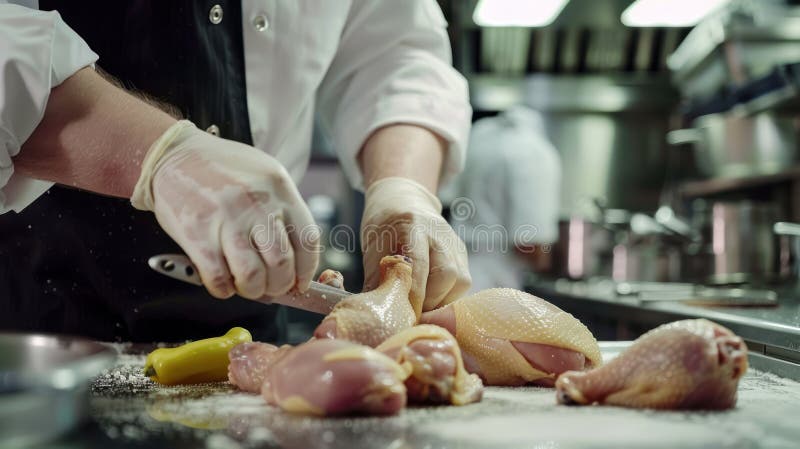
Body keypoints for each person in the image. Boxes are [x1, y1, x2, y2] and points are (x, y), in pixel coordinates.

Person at [0, 0, 471, 341]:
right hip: (33, 339)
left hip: (256, 346)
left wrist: (403, 188)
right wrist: (161, 155)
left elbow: (394, 55)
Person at [449, 105, 561, 292]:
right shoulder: (533, 152)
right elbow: (529, 242)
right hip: (496, 280)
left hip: (458, 267)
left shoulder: (478, 142)